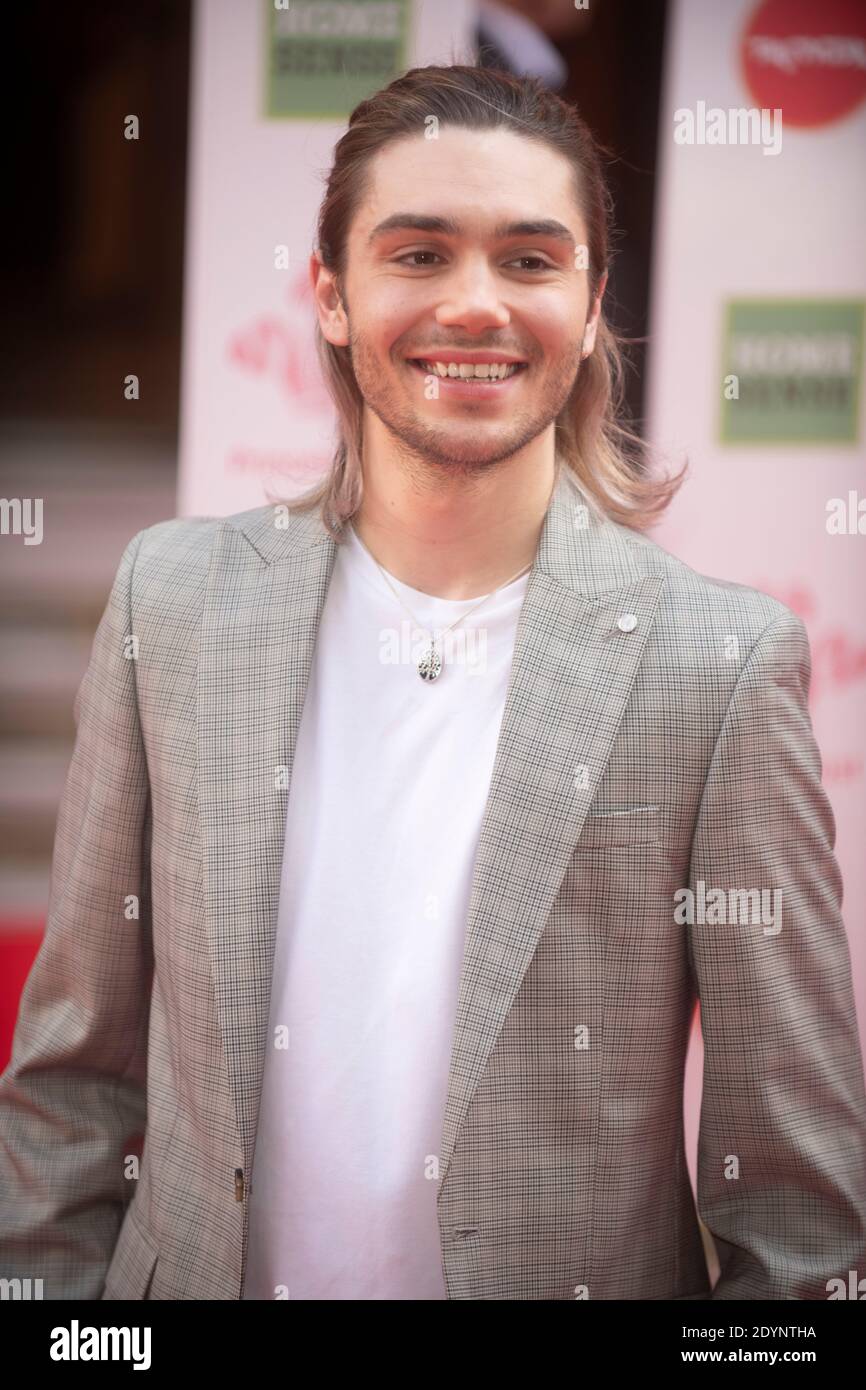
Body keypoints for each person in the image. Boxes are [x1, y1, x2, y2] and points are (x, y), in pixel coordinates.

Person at [1, 64, 864, 1301]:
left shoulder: (717, 666)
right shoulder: (171, 605)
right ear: (331, 296)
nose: (475, 304)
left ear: (589, 298)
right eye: (416, 254)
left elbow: (795, 1212)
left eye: (527, 260)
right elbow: (69, 1078)